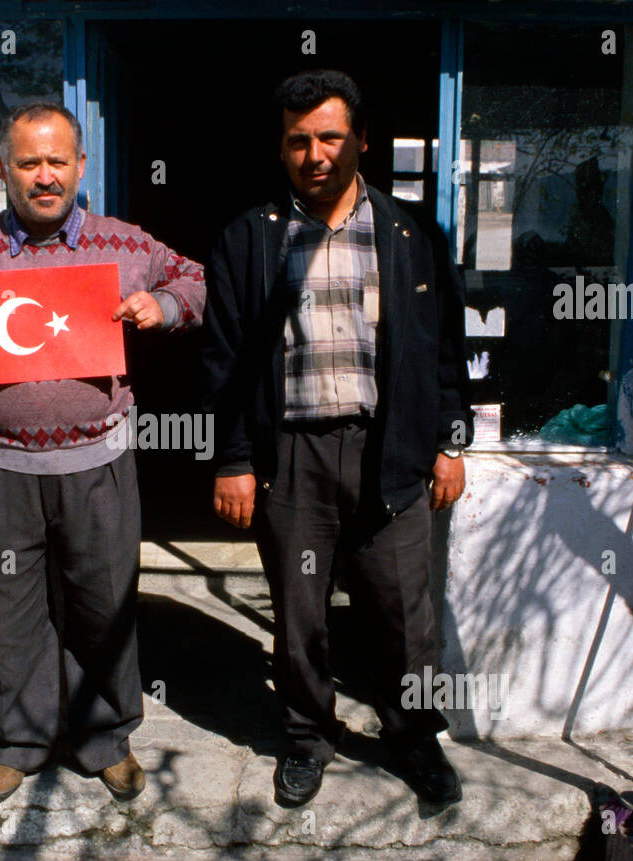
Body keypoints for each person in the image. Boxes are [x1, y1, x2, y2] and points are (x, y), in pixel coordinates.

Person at [0, 102, 205, 808]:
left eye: (58, 160)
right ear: (5, 171)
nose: (45, 175)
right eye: (29, 162)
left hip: (100, 468)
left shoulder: (123, 244)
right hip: (2, 469)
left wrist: (163, 306)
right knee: (10, 609)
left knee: (102, 606)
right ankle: (19, 745)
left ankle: (105, 740)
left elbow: (196, 280)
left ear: (80, 167)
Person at [201, 70, 473, 808]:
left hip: (391, 451)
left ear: (360, 141)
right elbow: (222, 359)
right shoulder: (247, 240)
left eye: (328, 137)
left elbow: (445, 347)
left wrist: (451, 442)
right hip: (291, 457)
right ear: (281, 148)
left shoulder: (413, 235)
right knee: (300, 612)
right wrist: (232, 459)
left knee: (402, 614)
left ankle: (413, 737)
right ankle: (307, 739)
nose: (314, 153)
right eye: (298, 141)